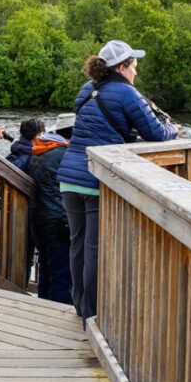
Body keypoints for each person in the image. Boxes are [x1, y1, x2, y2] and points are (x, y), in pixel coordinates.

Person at [57, 39, 179, 321]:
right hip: (96, 178)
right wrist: (174, 128)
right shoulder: (127, 93)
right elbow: (157, 134)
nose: (136, 72)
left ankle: (79, 306)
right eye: (134, 66)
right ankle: (93, 313)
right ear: (122, 68)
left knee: (77, 244)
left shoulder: (87, 89)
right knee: (93, 247)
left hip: (69, 175)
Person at [28, 113, 73, 304]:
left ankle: (43, 307)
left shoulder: (40, 150)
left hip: (39, 219)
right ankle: (58, 311)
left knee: (46, 267)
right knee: (62, 274)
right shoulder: (65, 154)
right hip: (59, 221)